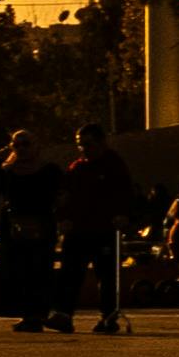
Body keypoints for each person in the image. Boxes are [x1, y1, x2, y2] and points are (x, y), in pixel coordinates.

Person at [0, 130, 64, 334]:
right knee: (17, 272)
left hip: (41, 227)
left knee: (39, 272)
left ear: (36, 146)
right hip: (14, 228)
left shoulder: (50, 170)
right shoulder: (7, 171)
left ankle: (36, 315)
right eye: (17, 145)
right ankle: (26, 315)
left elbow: (63, 196)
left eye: (26, 144)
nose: (21, 149)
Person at [55, 123, 137, 335]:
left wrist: (123, 215)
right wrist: (63, 218)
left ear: (101, 143)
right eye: (80, 145)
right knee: (69, 274)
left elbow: (126, 194)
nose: (83, 149)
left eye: (88, 144)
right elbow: (64, 197)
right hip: (78, 230)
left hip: (103, 230)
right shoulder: (76, 168)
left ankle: (108, 317)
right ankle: (64, 315)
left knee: (107, 276)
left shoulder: (114, 166)